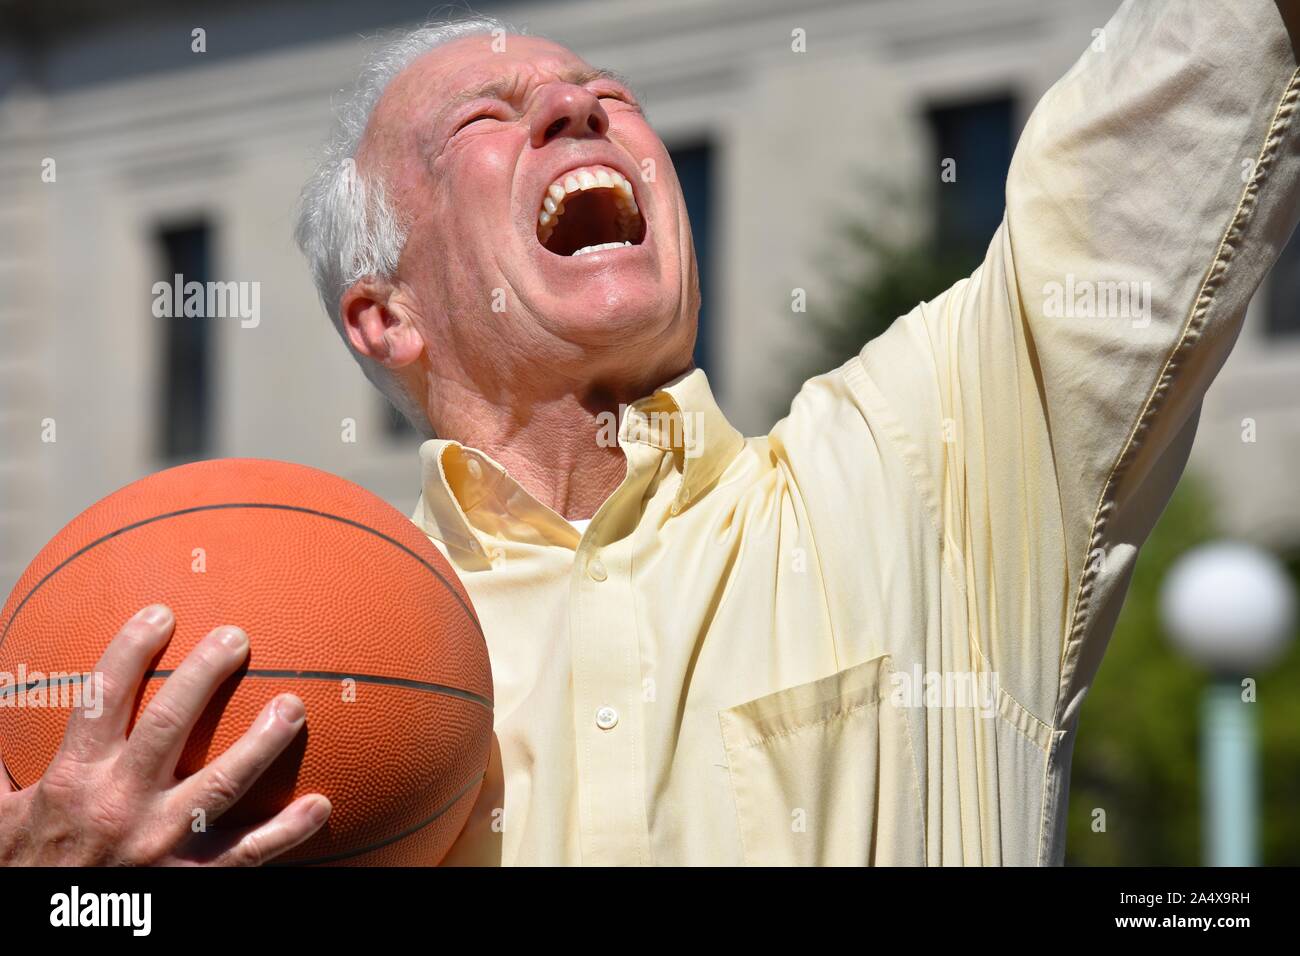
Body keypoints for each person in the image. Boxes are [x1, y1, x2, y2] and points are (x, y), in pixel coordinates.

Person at [4, 0, 1298, 865]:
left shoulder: (926, 470)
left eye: (604, 95)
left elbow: (1180, 97)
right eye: (484, 119)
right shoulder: (282, 643)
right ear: (382, 314)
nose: (577, 114)